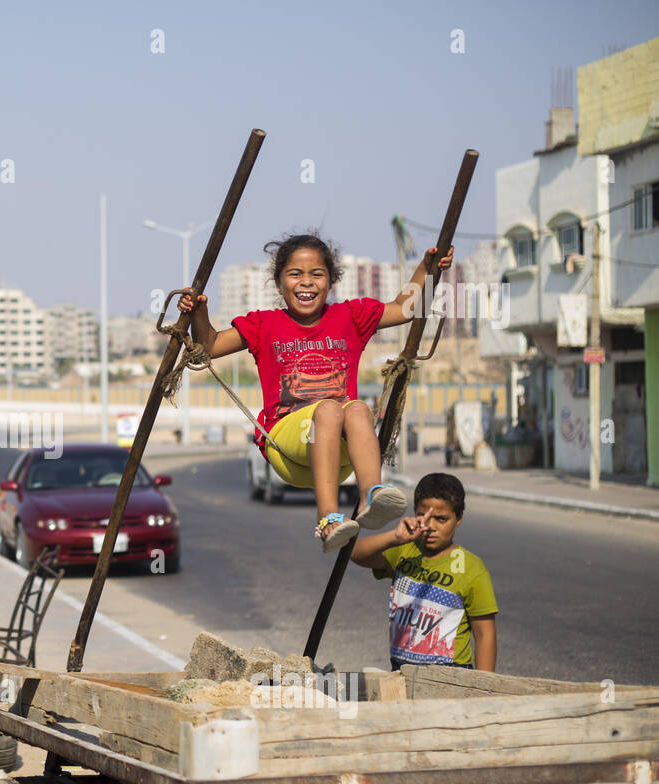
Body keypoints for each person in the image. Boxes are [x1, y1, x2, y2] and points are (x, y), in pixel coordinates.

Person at [179, 233, 452, 551]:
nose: (305, 282)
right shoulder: (264, 324)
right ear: (279, 284)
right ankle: (327, 518)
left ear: (330, 281)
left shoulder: (350, 317)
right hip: (287, 446)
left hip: (340, 456)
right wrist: (198, 311)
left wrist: (427, 268)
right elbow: (208, 346)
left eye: (316, 274)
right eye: (295, 274)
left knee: (358, 409)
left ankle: (371, 494)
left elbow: (405, 309)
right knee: (330, 409)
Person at [351, 472, 498, 671]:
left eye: (441, 519)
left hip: (452, 675)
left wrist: (482, 690)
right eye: (423, 516)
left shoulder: (472, 568)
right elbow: (355, 554)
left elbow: (484, 634)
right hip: (402, 669)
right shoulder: (405, 549)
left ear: (459, 518)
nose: (431, 526)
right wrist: (394, 537)